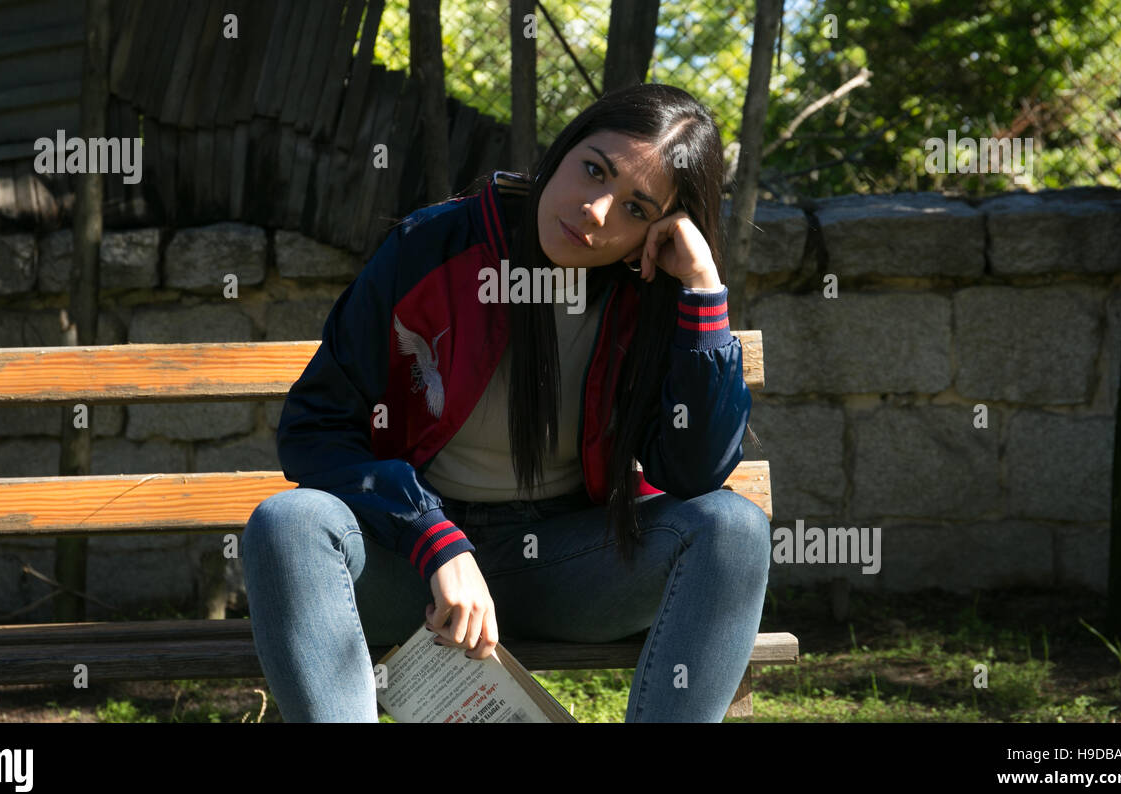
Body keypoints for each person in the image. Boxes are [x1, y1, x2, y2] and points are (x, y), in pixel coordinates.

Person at [242, 83, 772, 722]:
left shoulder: (652, 296)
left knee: (733, 528)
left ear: (655, 234)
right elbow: (315, 429)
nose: (596, 211)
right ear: (563, 149)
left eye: (635, 208)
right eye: (594, 170)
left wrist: (703, 290)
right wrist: (432, 537)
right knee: (289, 520)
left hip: (568, 572)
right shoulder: (431, 246)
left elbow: (693, 472)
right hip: (412, 569)